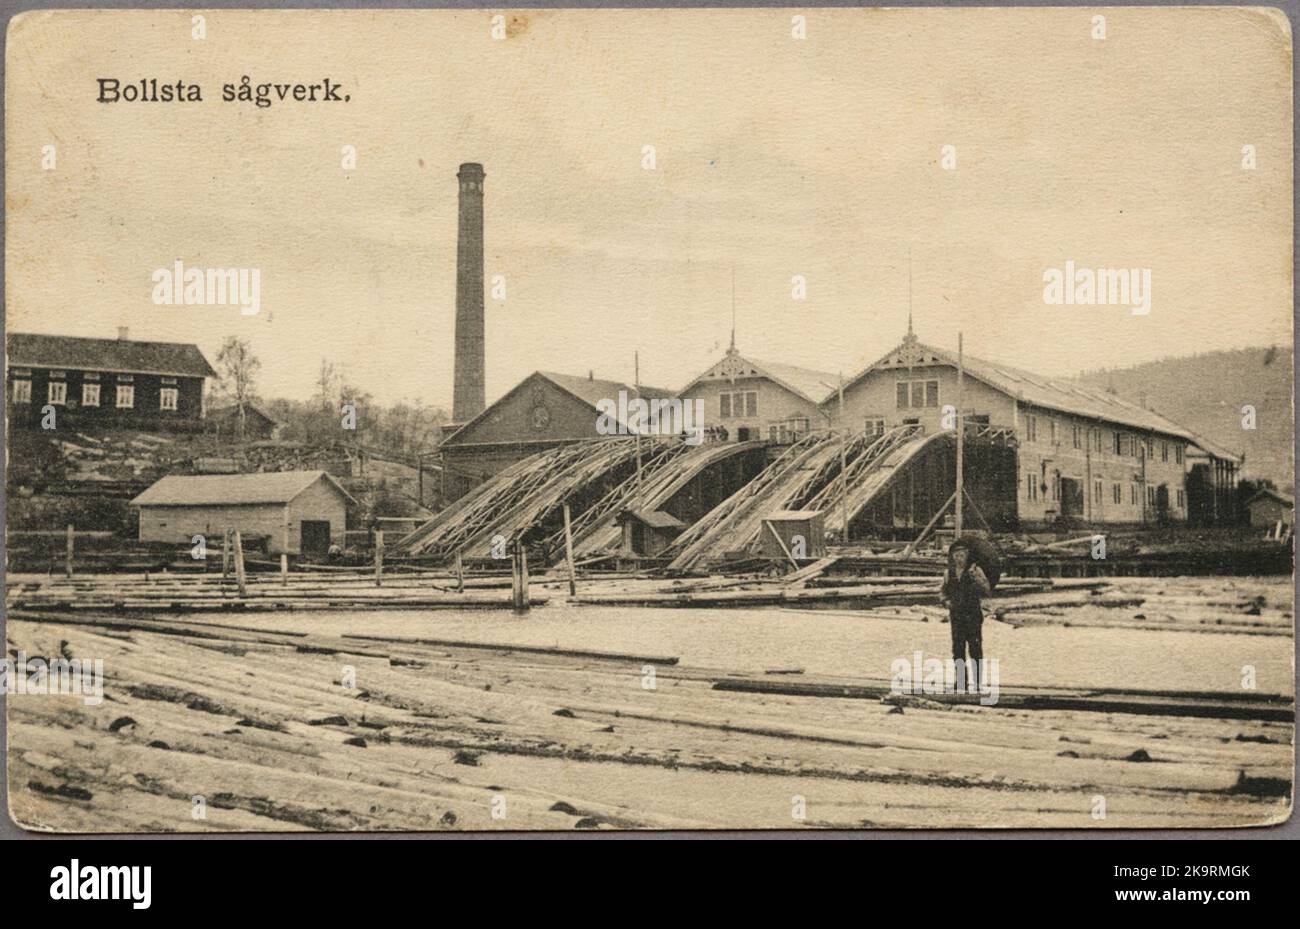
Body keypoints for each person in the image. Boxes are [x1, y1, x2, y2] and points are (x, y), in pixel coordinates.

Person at [939, 539, 991, 692]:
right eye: (956, 556)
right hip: (956, 615)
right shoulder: (949, 573)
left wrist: (975, 578)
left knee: (975, 648)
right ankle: (961, 682)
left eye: (961, 556)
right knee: (957, 649)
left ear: (967, 556)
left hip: (973, 614)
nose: (959, 559)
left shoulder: (975, 571)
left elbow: (987, 590)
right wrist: (945, 601)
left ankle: (978, 683)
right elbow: (942, 591)